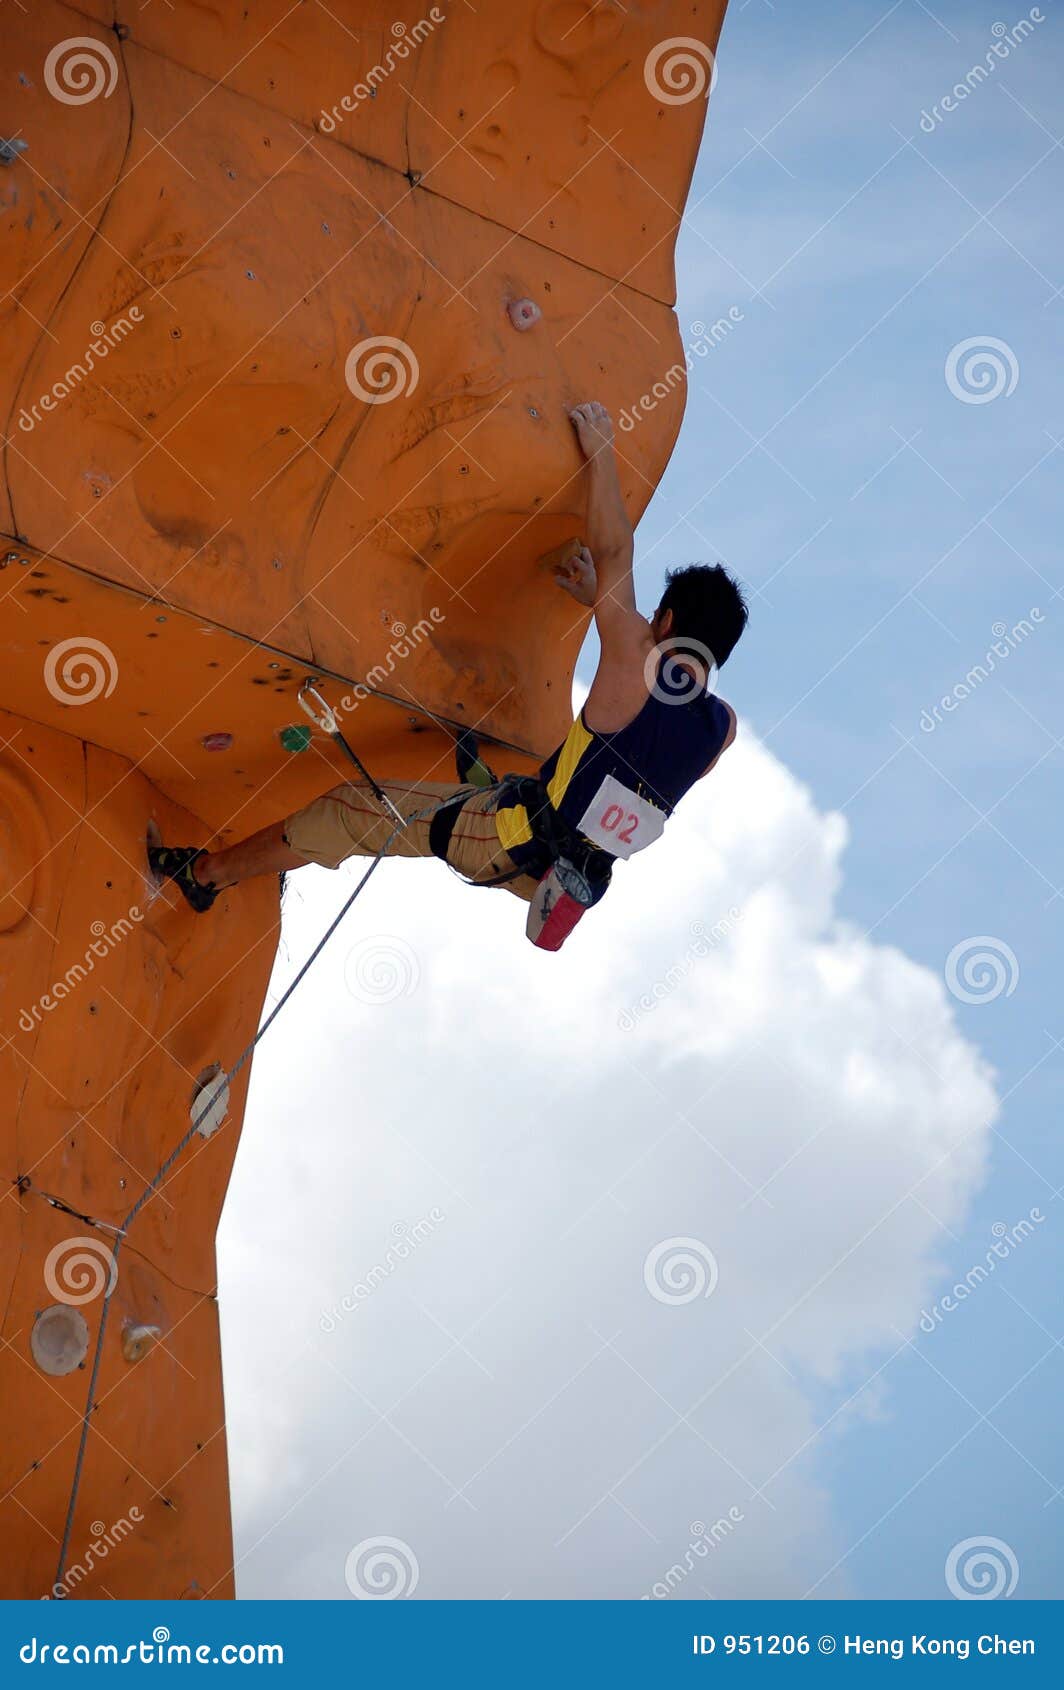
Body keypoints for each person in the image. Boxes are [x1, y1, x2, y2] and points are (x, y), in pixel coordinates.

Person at [149, 401, 747, 947]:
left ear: (664, 620)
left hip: (504, 837)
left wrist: (601, 452)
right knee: (522, 778)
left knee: (348, 811)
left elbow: (615, 554)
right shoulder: (721, 729)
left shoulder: (633, 660)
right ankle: (477, 787)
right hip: (563, 874)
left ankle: (204, 876)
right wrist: (604, 604)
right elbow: (647, 729)